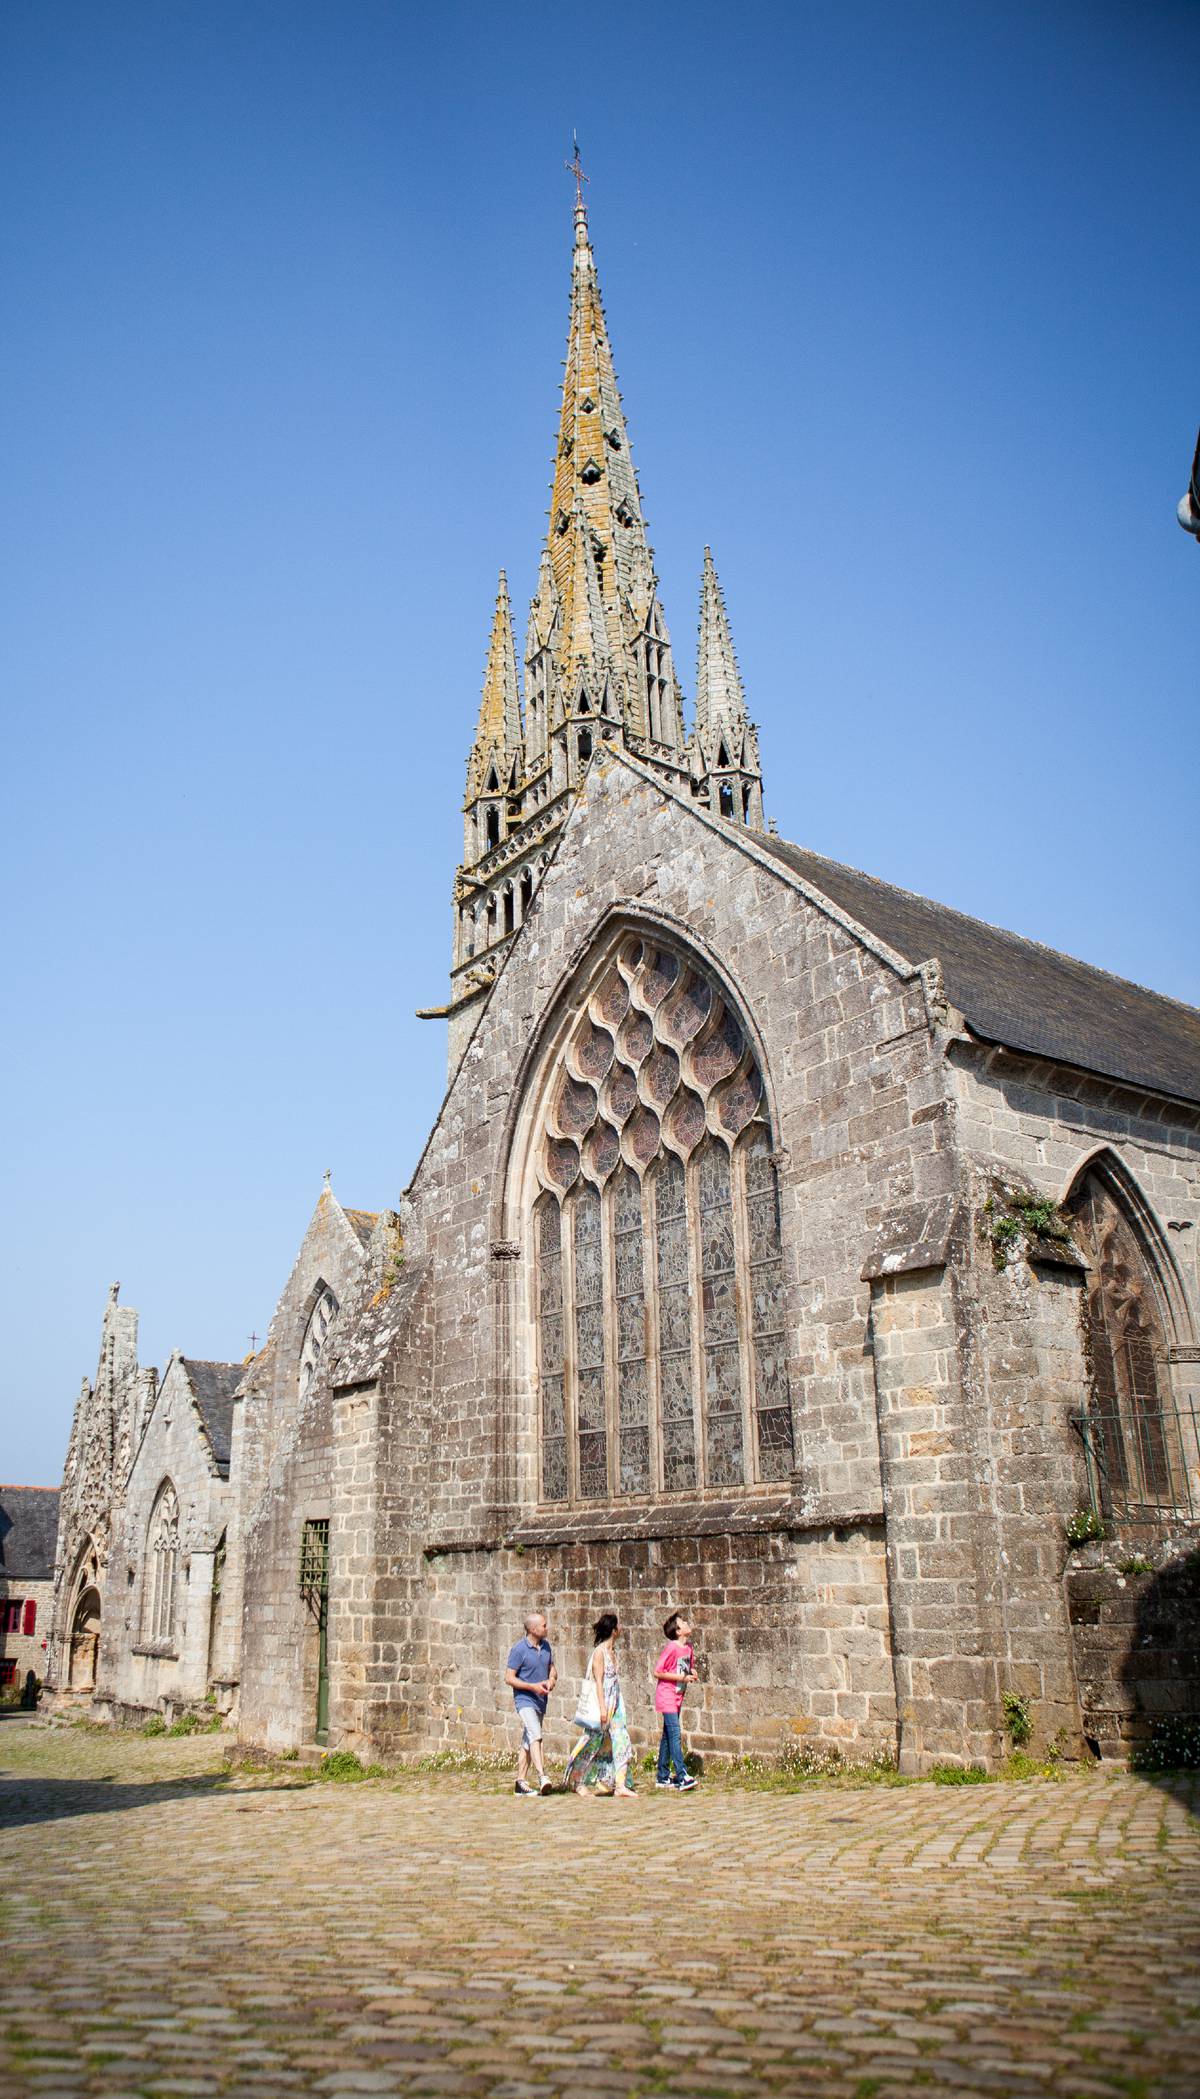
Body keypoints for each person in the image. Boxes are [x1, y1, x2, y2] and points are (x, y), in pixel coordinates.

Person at [564, 1610, 636, 1799]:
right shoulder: (600, 1652)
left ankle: (620, 1785)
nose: (620, 1628)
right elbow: (598, 1682)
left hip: (616, 1704)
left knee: (621, 1740)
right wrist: (603, 1709)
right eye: (618, 1625)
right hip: (602, 1704)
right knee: (593, 1742)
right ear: (613, 1630)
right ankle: (577, 1781)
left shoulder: (613, 1652)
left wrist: (617, 1706)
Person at [504, 1611, 557, 1796]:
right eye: (544, 1625)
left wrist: (551, 1680)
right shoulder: (519, 1650)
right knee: (536, 1735)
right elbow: (509, 1678)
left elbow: (552, 1669)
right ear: (533, 1629)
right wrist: (532, 1687)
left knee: (528, 1742)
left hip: (540, 1701)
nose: (547, 1628)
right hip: (524, 1700)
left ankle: (520, 1783)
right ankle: (542, 1776)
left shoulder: (546, 1647)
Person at [654, 1611, 698, 1791]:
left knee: (667, 1736)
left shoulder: (688, 1648)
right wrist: (681, 1677)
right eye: (683, 1622)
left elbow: (688, 1668)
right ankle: (682, 1775)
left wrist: (692, 1673)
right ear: (678, 1631)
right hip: (666, 1696)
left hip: (678, 1696)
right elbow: (658, 1672)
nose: (687, 1623)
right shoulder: (671, 1647)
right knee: (674, 1734)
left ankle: (662, 1776)